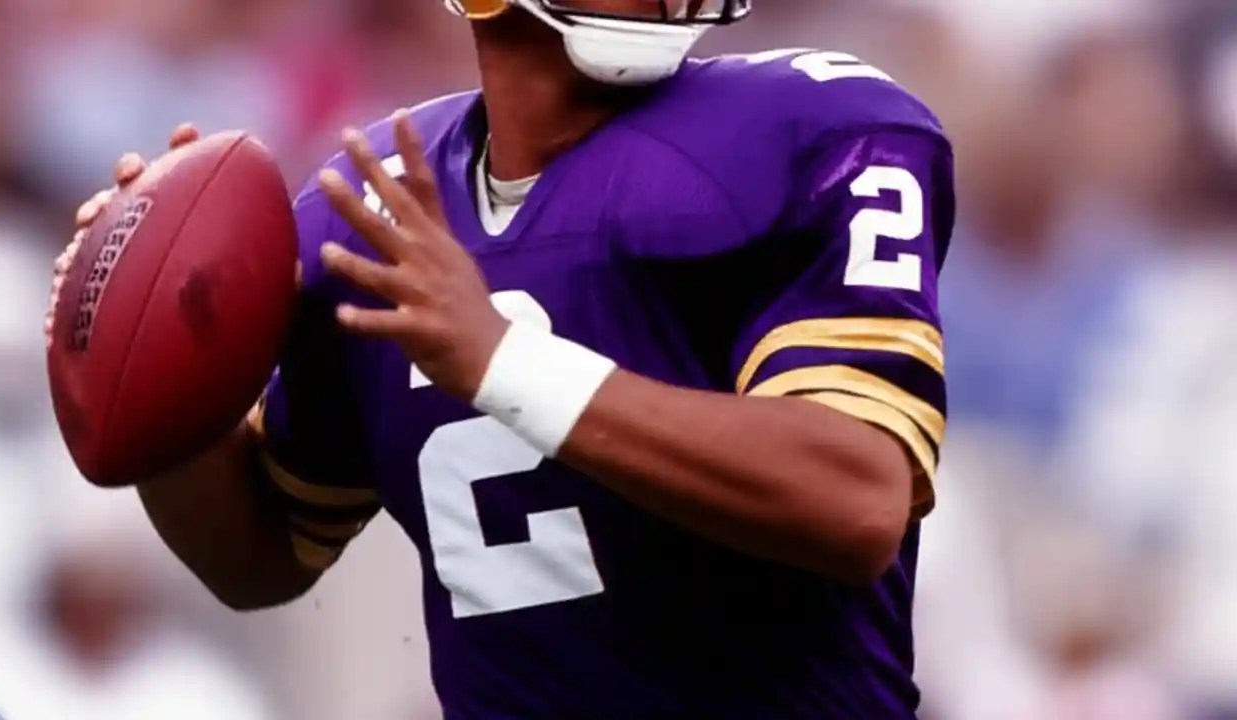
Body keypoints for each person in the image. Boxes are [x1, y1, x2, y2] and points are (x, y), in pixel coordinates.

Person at [49, 1, 954, 717]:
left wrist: (505, 363)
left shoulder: (811, 126)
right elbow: (260, 558)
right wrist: (155, 364)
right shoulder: (365, 209)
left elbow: (855, 499)